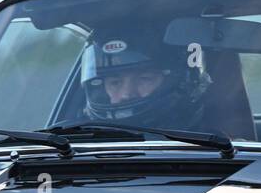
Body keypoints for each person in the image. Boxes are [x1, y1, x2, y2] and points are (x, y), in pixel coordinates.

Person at [79, 26, 210, 129]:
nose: (127, 94)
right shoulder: (79, 141)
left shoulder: (219, 142)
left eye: (145, 79)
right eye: (115, 82)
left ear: (181, 82)